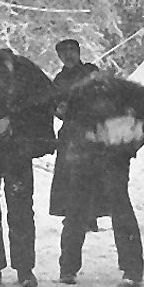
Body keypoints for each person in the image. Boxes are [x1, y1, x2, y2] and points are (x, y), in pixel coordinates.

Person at [0, 48, 56, 287]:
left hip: (16, 149)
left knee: (20, 207)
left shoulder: (26, 72)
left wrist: (16, 122)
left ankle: (24, 268)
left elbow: (46, 99)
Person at [53, 71, 144, 287]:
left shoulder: (127, 97)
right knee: (99, 208)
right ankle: (131, 269)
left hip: (109, 155)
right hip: (91, 154)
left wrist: (125, 148)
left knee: (88, 209)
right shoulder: (83, 95)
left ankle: (69, 268)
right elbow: (72, 125)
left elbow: (143, 128)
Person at [48, 39, 101, 234]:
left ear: (79, 52)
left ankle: (91, 215)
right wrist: (59, 109)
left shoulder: (90, 71)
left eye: (72, 50)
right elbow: (54, 104)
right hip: (70, 132)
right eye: (64, 53)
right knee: (68, 175)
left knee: (89, 174)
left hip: (90, 130)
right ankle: (72, 214)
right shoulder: (59, 80)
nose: (68, 55)